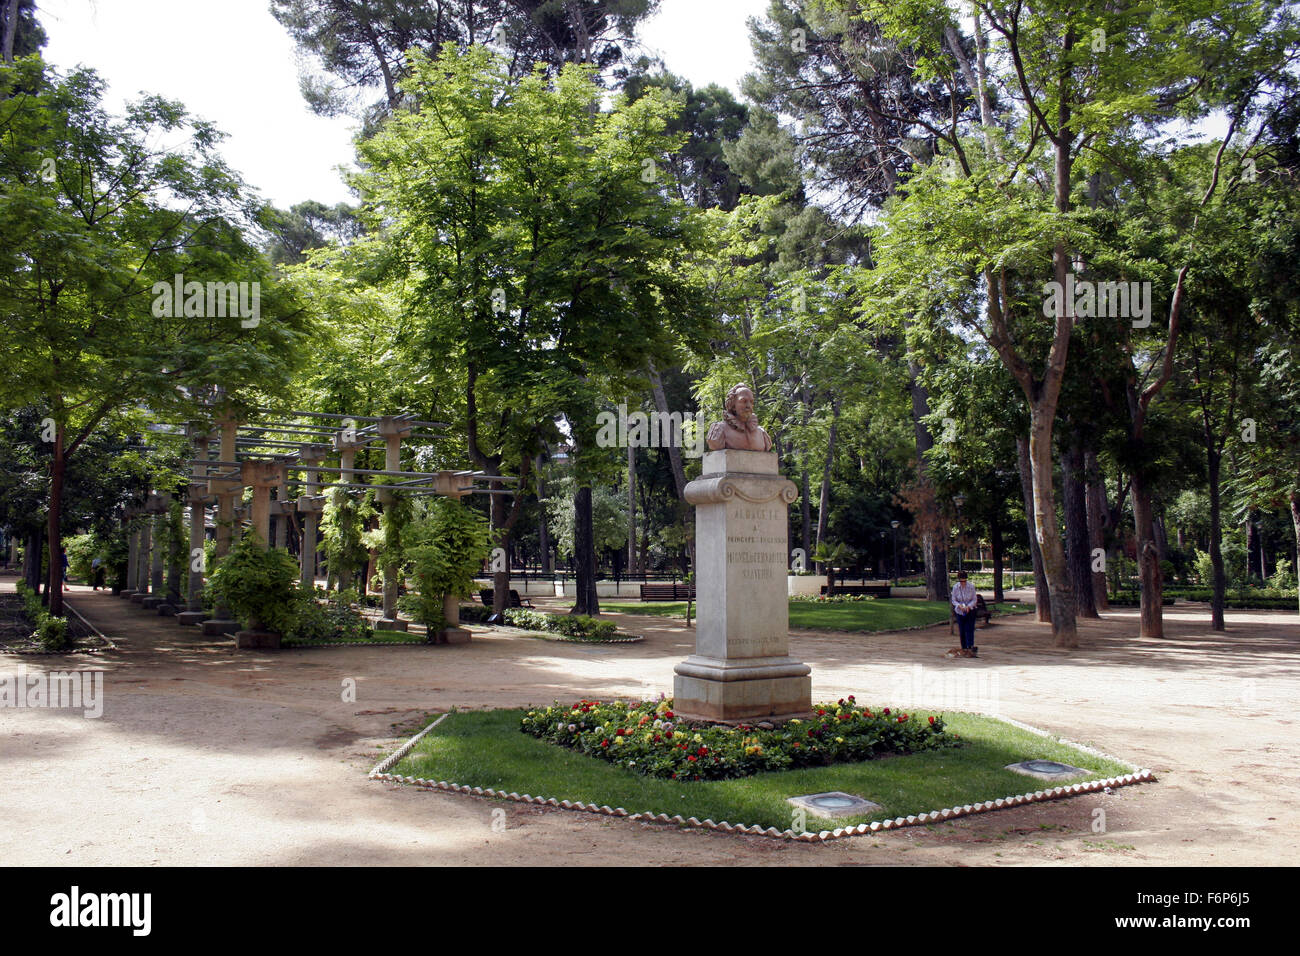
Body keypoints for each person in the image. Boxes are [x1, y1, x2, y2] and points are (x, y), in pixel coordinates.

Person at [951, 570, 978, 657]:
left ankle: (970, 646)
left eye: (964, 581)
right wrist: (959, 606)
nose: (963, 583)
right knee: (962, 629)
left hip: (970, 610)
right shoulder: (956, 587)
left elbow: (974, 599)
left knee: (969, 628)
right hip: (960, 611)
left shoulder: (971, 586)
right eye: (961, 581)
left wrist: (968, 607)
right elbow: (954, 599)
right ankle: (964, 647)